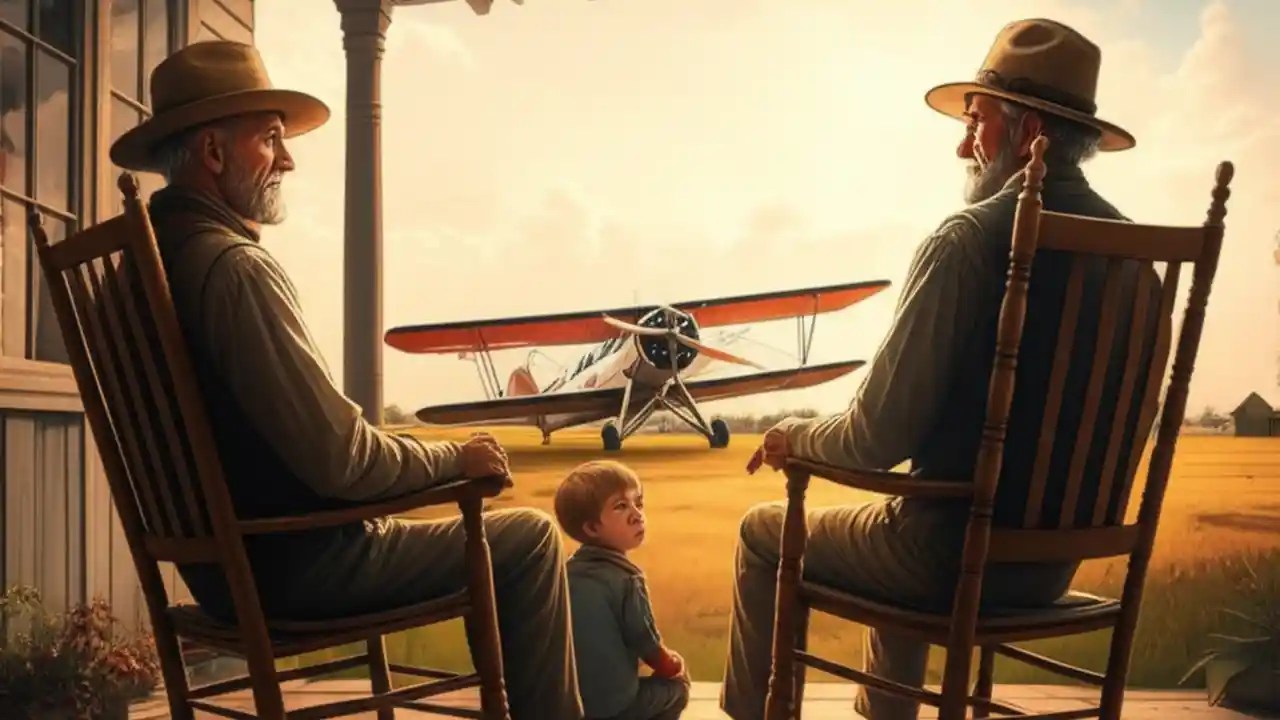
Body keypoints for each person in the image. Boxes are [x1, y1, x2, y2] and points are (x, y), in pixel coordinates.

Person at [107, 41, 583, 719]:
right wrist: (456, 457)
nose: (288, 159)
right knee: (529, 540)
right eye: (270, 139)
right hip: (295, 570)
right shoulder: (233, 268)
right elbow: (342, 460)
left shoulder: (144, 266)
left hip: (219, 575)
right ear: (213, 152)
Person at [721, 18, 1162, 720]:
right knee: (912, 516)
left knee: (765, 531)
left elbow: (874, 438)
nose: (962, 145)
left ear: (1030, 134)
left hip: (947, 561)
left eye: (976, 122)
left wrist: (793, 434)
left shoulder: (968, 240)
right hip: (1049, 573)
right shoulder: (1138, 260)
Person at [554, 460, 690, 720]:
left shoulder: (564, 574)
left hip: (568, 706)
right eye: (620, 506)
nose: (637, 515)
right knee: (678, 687)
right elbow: (648, 645)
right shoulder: (627, 579)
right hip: (614, 710)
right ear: (591, 527)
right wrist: (673, 665)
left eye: (638, 503)